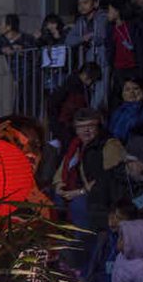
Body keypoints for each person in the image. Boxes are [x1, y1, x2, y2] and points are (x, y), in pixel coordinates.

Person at [54, 108, 126, 269]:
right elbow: (62, 170)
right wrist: (59, 185)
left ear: (98, 126)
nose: (86, 131)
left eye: (90, 126)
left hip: (102, 197)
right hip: (80, 191)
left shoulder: (109, 145)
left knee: (79, 204)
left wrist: (80, 192)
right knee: (54, 198)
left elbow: (108, 178)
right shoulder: (76, 146)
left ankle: (81, 258)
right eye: (81, 127)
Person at [67, 0, 109, 107]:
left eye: (85, 3)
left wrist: (86, 38)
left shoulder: (102, 17)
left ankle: (96, 114)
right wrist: (83, 38)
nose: (82, 7)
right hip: (88, 62)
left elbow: (99, 37)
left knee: (101, 92)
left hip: (102, 61)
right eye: (80, 4)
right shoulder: (81, 21)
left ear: (95, 3)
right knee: (89, 92)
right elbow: (69, 40)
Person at [106, 0, 143, 109]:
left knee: (138, 96)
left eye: (110, 10)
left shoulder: (135, 26)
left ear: (117, 11)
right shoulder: (111, 28)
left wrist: (142, 66)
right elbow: (110, 49)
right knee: (120, 98)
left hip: (135, 67)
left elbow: (141, 46)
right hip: (119, 69)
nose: (107, 14)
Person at [109, 79, 143, 143]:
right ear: (122, 93)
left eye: (136, 88)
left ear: (142, 90)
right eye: (127, 89)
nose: (131, 92)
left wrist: (136, 104)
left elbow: (135, 124)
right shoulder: (118, 111)